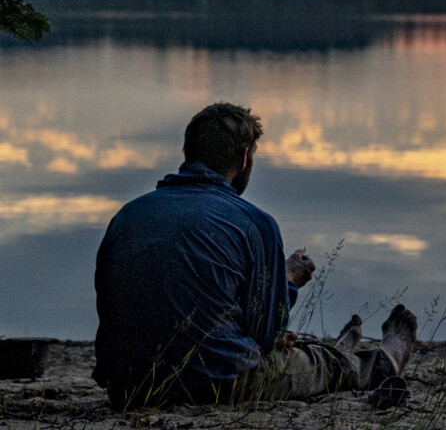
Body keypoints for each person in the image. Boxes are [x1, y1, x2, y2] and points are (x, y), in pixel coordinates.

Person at [93, 102, 417, 408]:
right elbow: (265, 338)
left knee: (261, 343)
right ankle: (384, 361)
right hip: (219, 384)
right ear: (244, 158)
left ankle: (335, 350)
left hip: (128, 387)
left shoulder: (126, 217)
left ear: (189, 153)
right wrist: (286, 279)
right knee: (316, 365)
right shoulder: (255, 223)